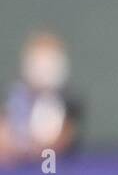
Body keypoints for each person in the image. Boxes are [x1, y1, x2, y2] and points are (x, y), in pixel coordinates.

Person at [1, 31, 81, 165]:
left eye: (50, 62)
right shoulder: (13, 98)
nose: (43, 70)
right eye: (39, 62)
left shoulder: (69, 103)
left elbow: (60, 143)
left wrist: (32, 149)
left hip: (51, 174)